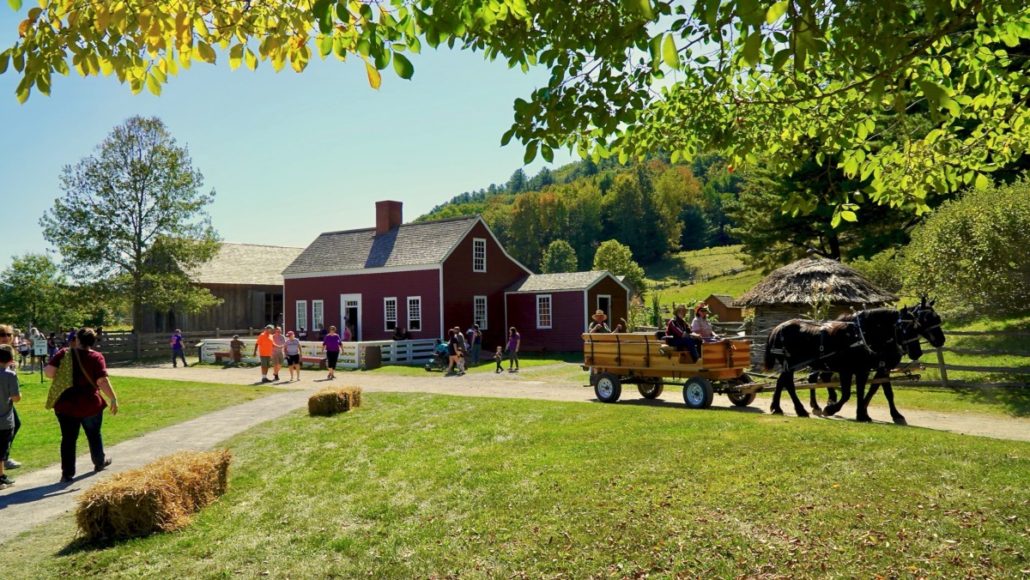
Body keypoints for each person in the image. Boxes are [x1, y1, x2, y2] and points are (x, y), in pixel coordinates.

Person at [44, 327, 119, 483]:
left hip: (66, 404)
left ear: (77, 339)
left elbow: (49, 373)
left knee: (68, 439)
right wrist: (113, 398)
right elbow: (101, 381)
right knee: (94, 435)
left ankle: (67, 473)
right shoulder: (96, 357)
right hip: (90, 404)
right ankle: (99, 462)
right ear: (92, 341)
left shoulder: (64, 354)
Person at [0, 324, 21, 470]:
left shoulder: (9, 352)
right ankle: (3, 459)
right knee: (11, 425)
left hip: (6, 398)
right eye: (2, 335)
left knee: (14, 424)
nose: (6, 337)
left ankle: (4, 458)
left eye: (8, 334)